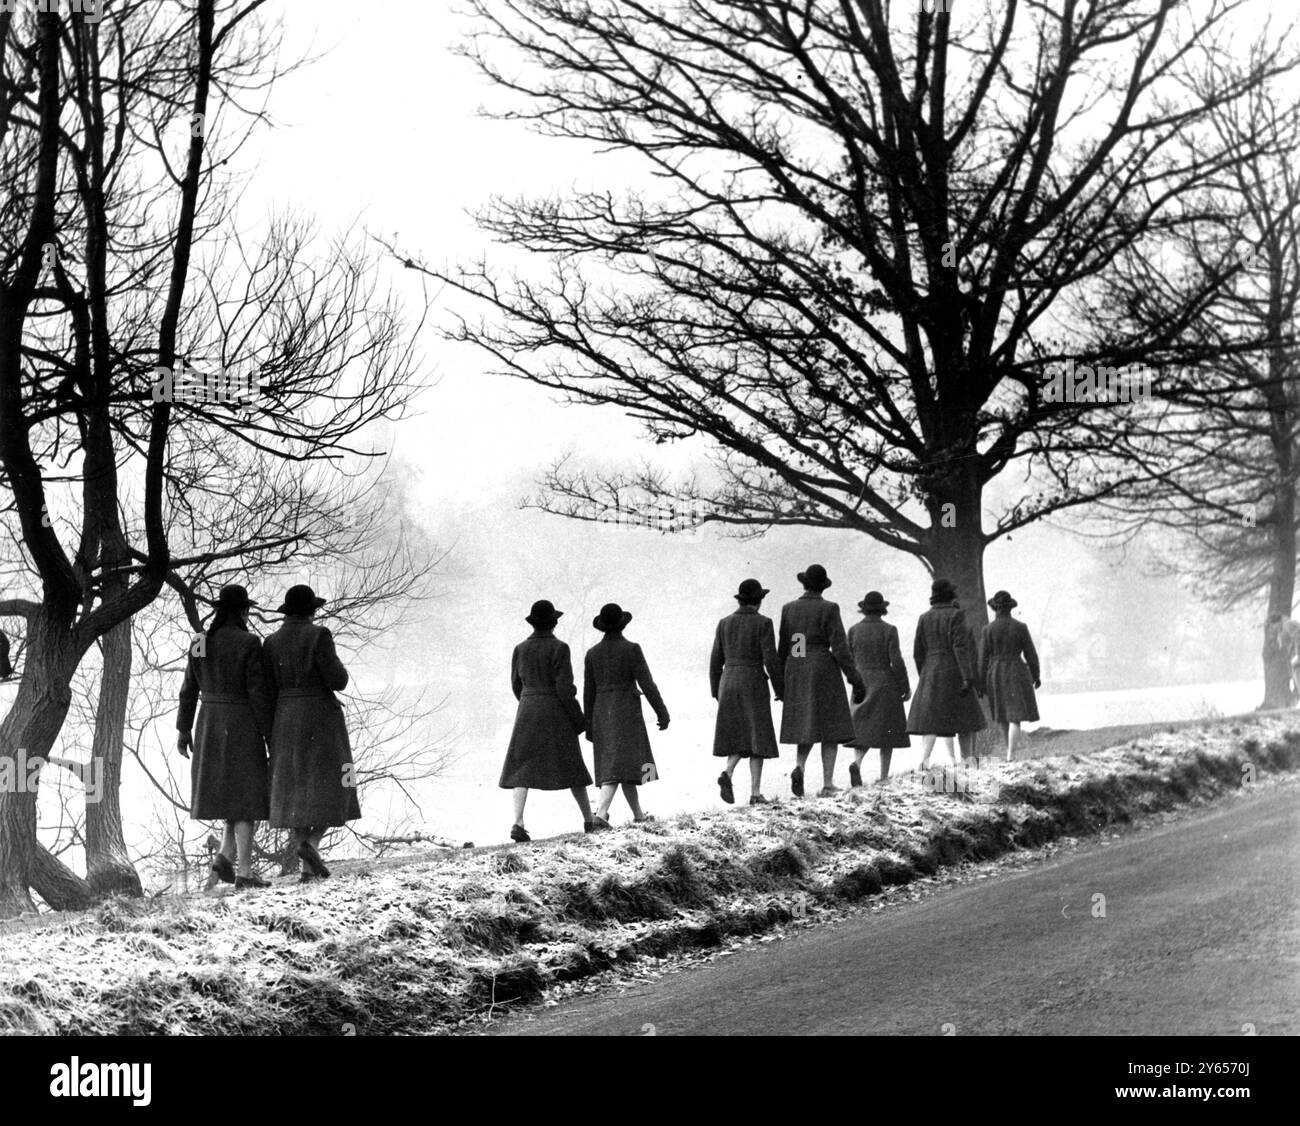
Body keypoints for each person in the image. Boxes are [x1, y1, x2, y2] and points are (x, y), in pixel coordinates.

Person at [176, 584, 274, 890]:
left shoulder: (200, 641)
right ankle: (244, 872)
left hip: (208, 724)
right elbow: (258, 694)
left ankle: (222, 861)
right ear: (243, 611)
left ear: (219, 610)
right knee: (245, 798)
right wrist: (270, 735)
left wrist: (183, 729)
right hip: (240, 723)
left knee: (231, 797)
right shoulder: (249, 642)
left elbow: (188, 689)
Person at [262, 584, 360, 881]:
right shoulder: (320, 635)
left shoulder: (270, 641)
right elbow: (338, 680)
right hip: (321, 720)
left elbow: (266, 689)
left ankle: (306, 868)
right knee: (337, 785)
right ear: (312, 610)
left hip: (284, 720)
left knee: (295, 791)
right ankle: (310, 845)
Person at [499, 599, 595, 841]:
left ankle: (518, 823)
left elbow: (515, 684)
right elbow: (565, 688)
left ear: (533, 623)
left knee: (521, 767)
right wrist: (579, 720)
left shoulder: (520, 648)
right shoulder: (560, 648)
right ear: (553, 623)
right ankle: (589, 820)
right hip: (555, 711)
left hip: (527, 709)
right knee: (573, 767)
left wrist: (528, 701)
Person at [777, 564, 865, 797]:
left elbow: (786, 647)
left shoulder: (789, 609)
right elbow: (840, 647)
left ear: (804, 584)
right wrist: (855, 679)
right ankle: (827, 783)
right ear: (822, 587)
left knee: (805, 725)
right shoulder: (829, 608)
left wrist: (782, 683)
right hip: (823, 669)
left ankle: (799, 767)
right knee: (830, 728)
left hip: (796, 668)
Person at [583, 603, 669, 827]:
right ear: (622, 625)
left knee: (620, 764)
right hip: (627, 711)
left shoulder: (592, 654)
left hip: (602, 712)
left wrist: (589, 724)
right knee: (619, 766)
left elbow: (588, 692)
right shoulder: (632, 649)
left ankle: (639, 815)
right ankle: (600, 815)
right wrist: (662, 712)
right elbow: (647, 684)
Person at [711, 578, 784, 805]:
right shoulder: (763, 623)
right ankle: (755, 793)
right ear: (759, 601)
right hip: (753, 681)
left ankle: (728, 773)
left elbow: (715, 660)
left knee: (738, 735)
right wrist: (780, 689)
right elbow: (770, 659)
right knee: (757, 737)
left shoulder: (724, 623)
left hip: (728, 681)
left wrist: (716, 690)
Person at [907, 578, 987, 773]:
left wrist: (925, 673)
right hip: (954, 671)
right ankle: (967, 762)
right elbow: (960, 647)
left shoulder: (924, 617)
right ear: (950, 595)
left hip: (931, 671)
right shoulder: (957, 615)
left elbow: (917, 652)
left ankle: (923, 762)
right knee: (965, 720)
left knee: (931, 721)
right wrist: (968, 677)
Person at [846, 591, 911, 785]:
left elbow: (849, 658)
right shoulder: (889, 630)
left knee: (862, 728)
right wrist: (904, 686)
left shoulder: (853, 630)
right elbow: (896, 661)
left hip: (861, 682)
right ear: (882, 609)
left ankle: (856, 763)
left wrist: (853, 679)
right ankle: (883, 777)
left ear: (864, 609)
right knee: (887, 731)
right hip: (884, 681)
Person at [978, 591, 1041, 761]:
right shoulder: (1020, 627)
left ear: (995, 609)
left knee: (1002, 716)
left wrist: (981, 683)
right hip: (1016, 670)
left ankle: (1009, 752)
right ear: (1010, 608)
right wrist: (1036, 675)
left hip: (995, 672)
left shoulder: (987, 630)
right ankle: (1011, 753)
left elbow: (982, 659)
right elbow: (1031, 654)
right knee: (1015, 715)